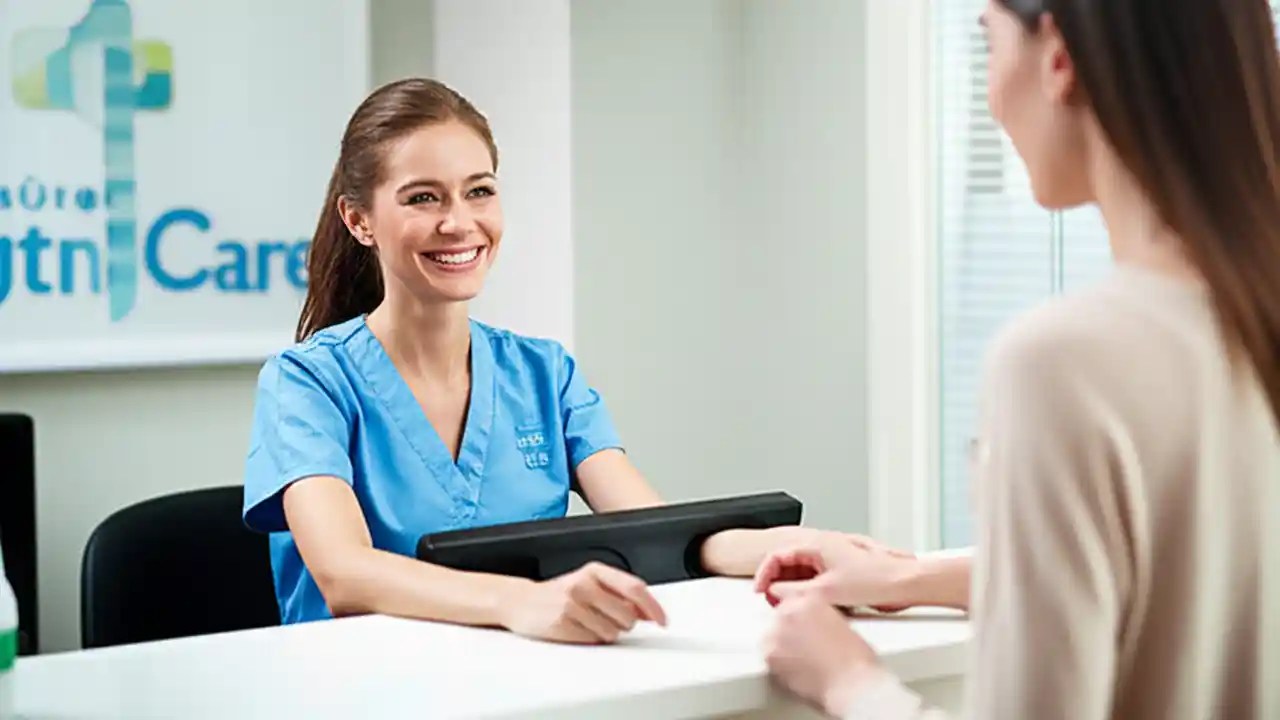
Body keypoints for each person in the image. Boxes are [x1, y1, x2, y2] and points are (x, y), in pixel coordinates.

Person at [756, 0, 1280, 717]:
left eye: (989, 46)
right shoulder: (1250, 315)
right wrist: (904, 577)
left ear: (1058, 56)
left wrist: (845, 677)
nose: (992, 94)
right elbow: (1201, 566)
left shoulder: (1064, 363)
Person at [241, 77, 889, 645]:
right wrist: (523, 603)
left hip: (521, 680)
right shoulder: (308, 382)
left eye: (479, 191)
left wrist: (798, 549)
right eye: (423, 198)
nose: (460, 222)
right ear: (359, 220)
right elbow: (344, 573)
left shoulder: (544, 375)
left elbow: (653, 532)